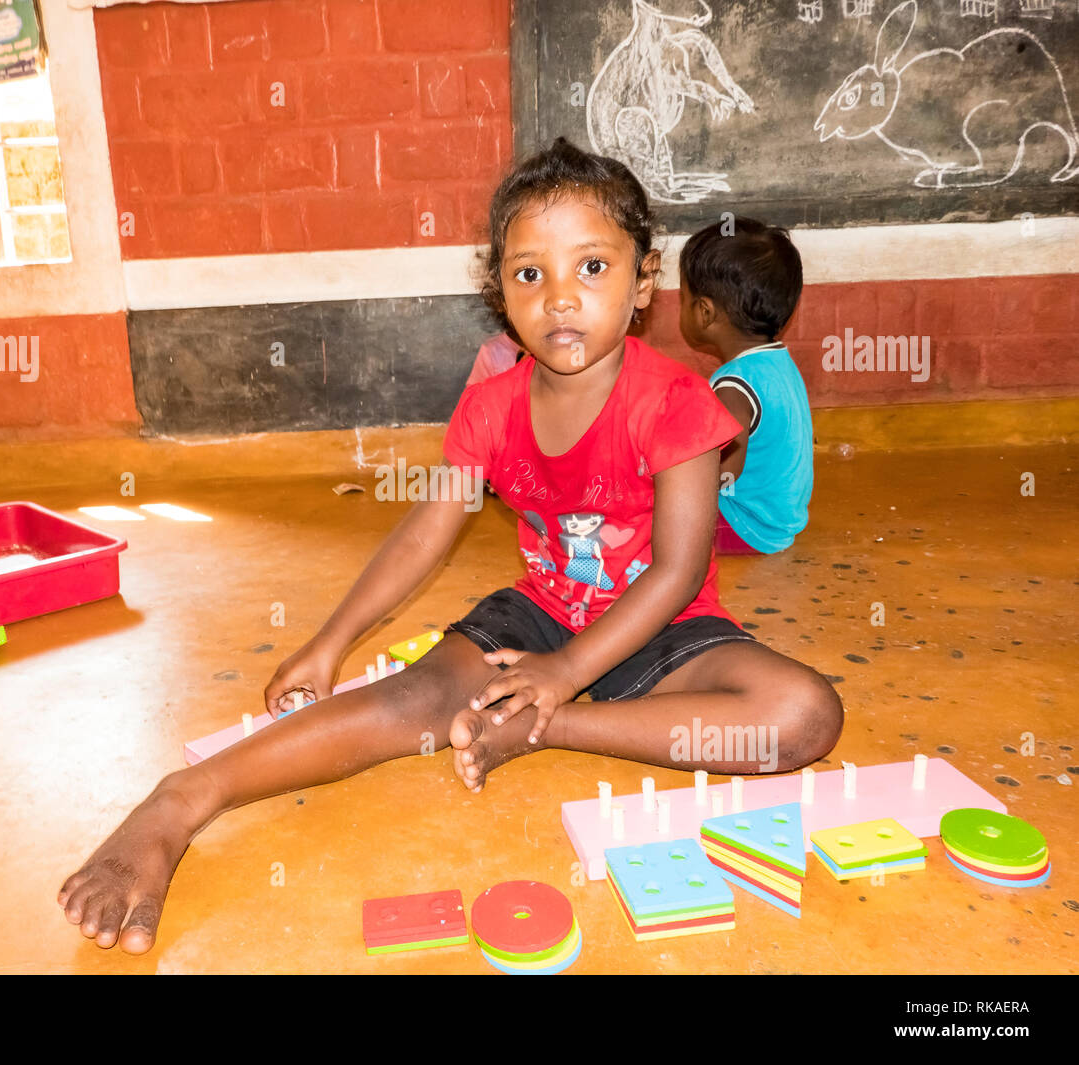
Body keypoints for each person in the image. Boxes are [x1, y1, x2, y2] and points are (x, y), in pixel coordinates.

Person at [57, 138, 843, 955]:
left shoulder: (677, 403)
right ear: (500, 291)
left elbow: (680, 573)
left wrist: (564, 683)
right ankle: (179, 801)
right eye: (529, 273)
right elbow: (426, 530)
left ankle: (547, 726)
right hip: (539, 617)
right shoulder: (492, 408)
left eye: (593, 268)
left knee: (802, 715)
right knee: (410, 704)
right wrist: (328, 643)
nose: (560, 298)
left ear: (645, 281)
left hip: (663, 629)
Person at [678, 218, 812, 554]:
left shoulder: (734, 385)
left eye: (684, 298)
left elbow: (722, 471)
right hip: (777, 522)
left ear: (705, 313)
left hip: (743, 527)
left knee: (638, 510)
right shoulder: (776, 362)